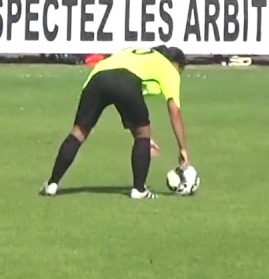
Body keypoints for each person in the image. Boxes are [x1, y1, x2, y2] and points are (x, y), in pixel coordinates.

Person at [40, 46, 190, 199]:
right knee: (143, 133)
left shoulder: (138, 55)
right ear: (176, 64)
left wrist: (145, 141)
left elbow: (123, 104)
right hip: (126, 81)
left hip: (97, 78)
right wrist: (182, 148)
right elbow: (174, 110)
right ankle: (139, 190)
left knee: (78, 133)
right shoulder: (168, 68)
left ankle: (52, 184)